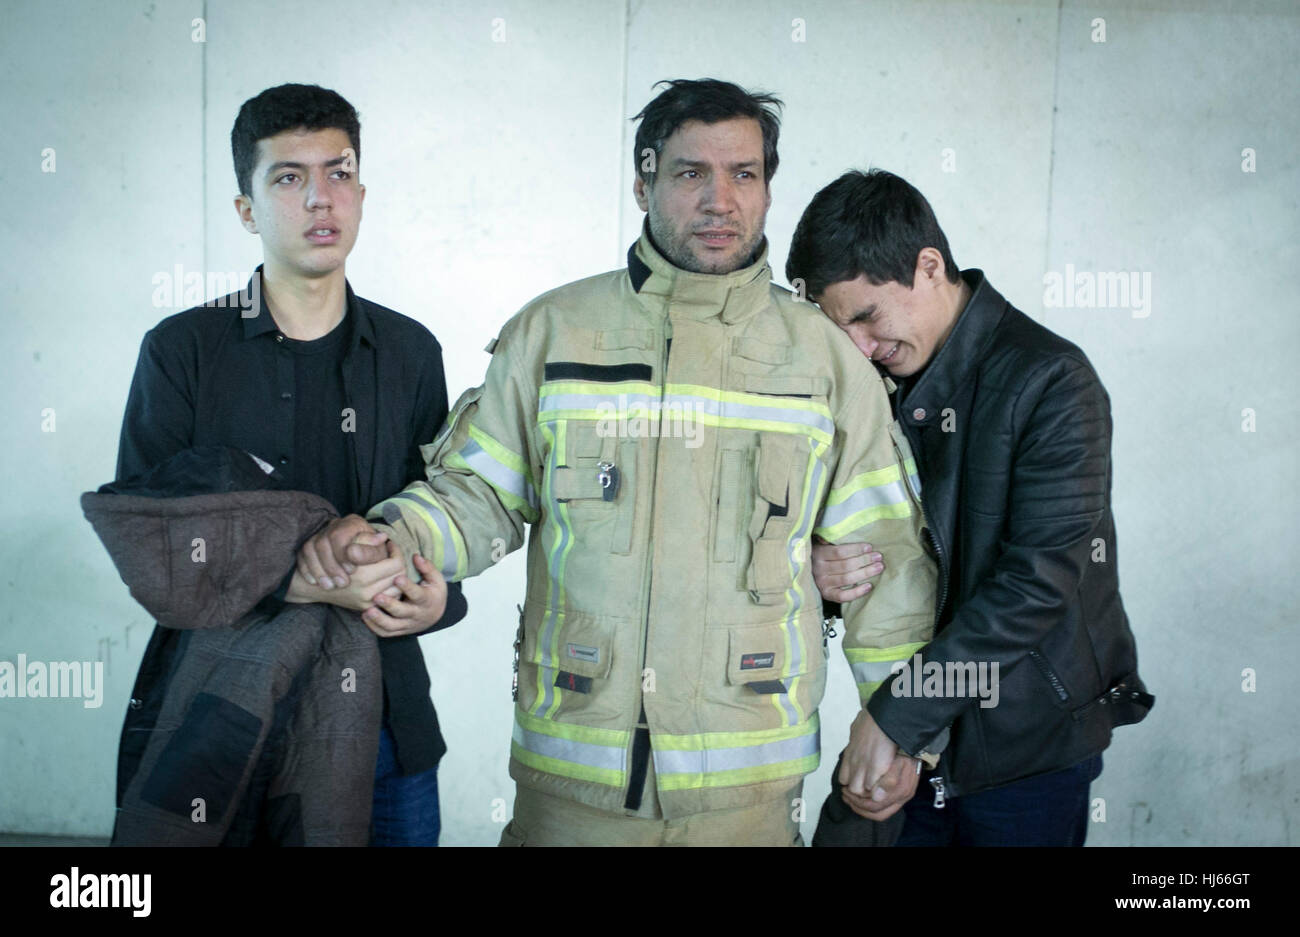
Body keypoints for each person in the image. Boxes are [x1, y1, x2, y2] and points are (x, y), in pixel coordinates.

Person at [296, 79, 938, 846]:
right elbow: (478, 495)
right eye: (689, 173)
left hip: (750, 802)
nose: (719, 200)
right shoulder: (555, 333)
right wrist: (397, 538)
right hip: (573, 785)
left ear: (769, 189)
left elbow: (887, 559)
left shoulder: (825, 361)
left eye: (744, 174)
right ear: (643, 182)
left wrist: (900, 722)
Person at [116, 83, 467, 846]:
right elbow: (149, 544)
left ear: (363, 195)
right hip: (223, 714)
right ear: (246, 208)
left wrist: (438, 600)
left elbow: (448, 511)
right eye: (288, 177)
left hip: (386, 723)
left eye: (338, 174)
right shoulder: (183, 351)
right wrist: (294, 578)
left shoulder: (411, 353)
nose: (320, 199)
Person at [788, 168, 1154, 846]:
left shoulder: (1052, 380)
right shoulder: (869, 383)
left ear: (929, 266)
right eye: (842, 332)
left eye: (867, 316)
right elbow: (856, 534)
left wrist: (897, 715)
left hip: (1023, 755)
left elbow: (1034, 586)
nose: (860, 349)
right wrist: (818, 569)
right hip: (907, 743)